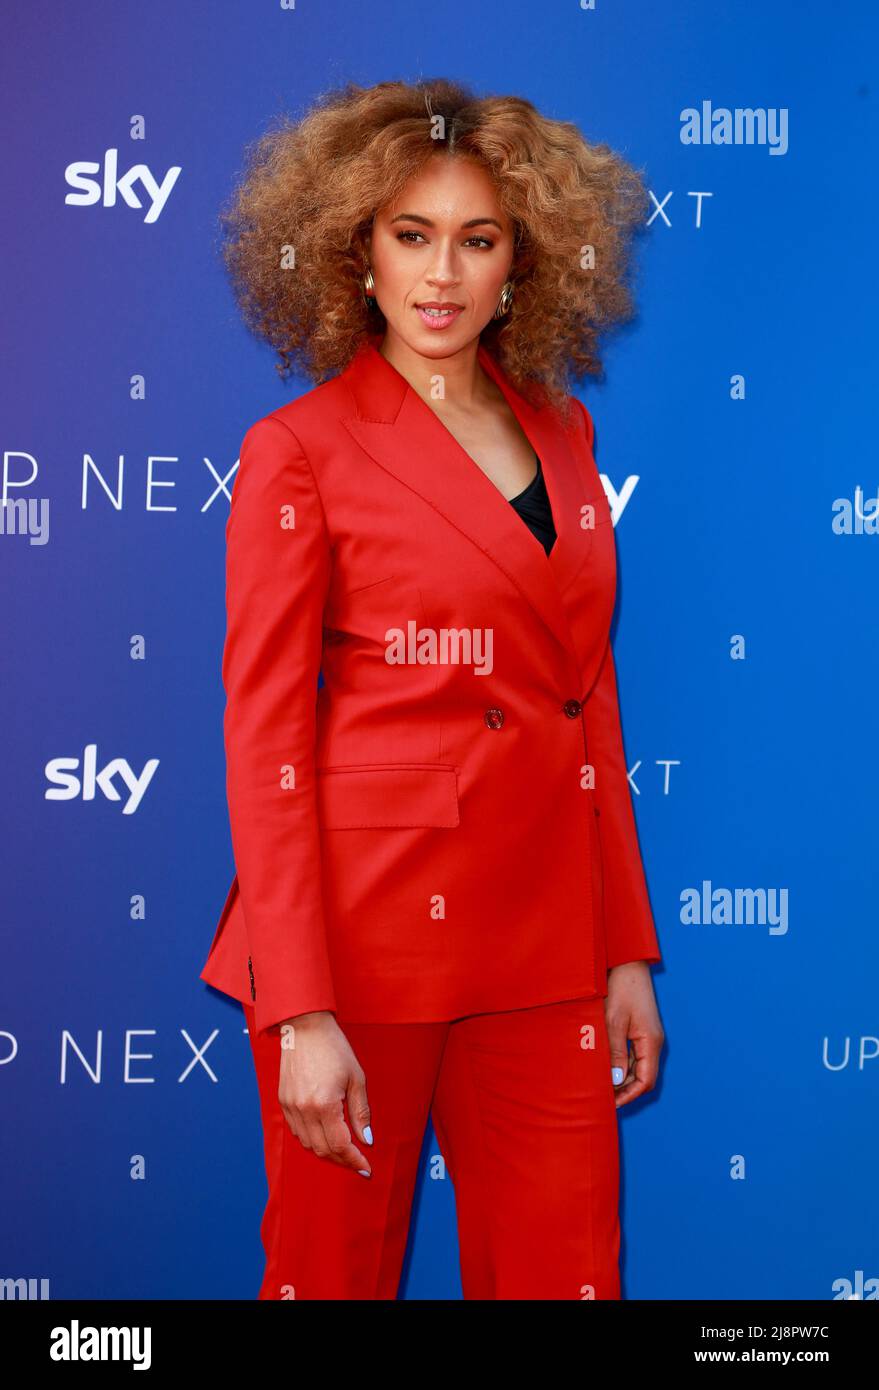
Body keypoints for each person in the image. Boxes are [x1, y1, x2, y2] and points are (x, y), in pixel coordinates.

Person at [200, 76, 665, 1301]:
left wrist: (622, 947)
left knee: (565, 1278)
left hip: (547, 943)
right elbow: (266, 738)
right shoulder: (296, 450)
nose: (443, 274)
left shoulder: (563, 433)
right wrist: (297, 1009)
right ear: (358, 254)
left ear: (524, 260)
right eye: (412, 237)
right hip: (363, 949)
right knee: (331, 1277)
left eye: (478, 237)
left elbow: (586, 696)